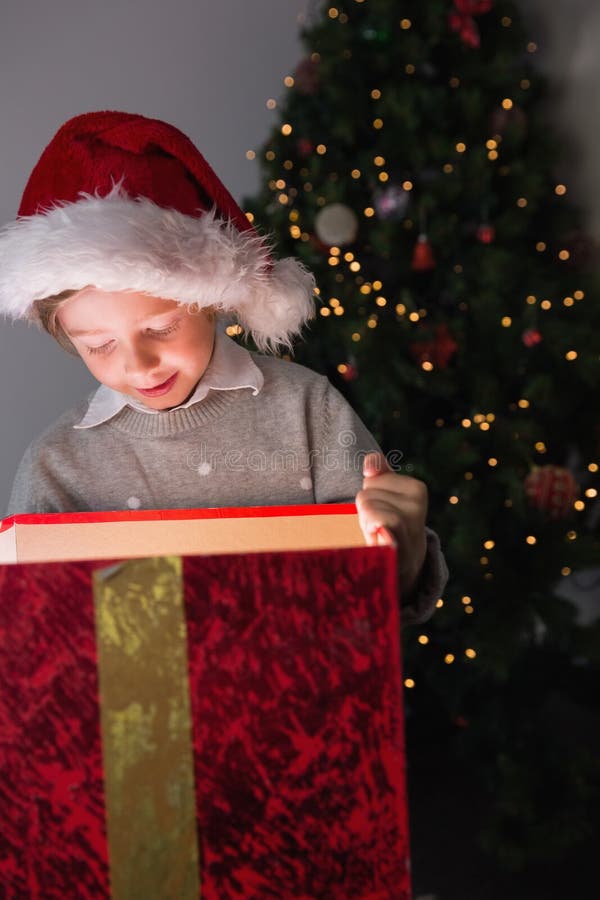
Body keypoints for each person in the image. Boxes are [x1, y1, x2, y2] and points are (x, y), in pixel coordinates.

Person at [0, 111, 447, 623]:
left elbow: (376, 600)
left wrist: (404, 558)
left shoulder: (306, 409)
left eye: (161, 328)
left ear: (211, 299)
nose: (139, 365)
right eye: (98, 345)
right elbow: (31, 642)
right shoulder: (56, 468)